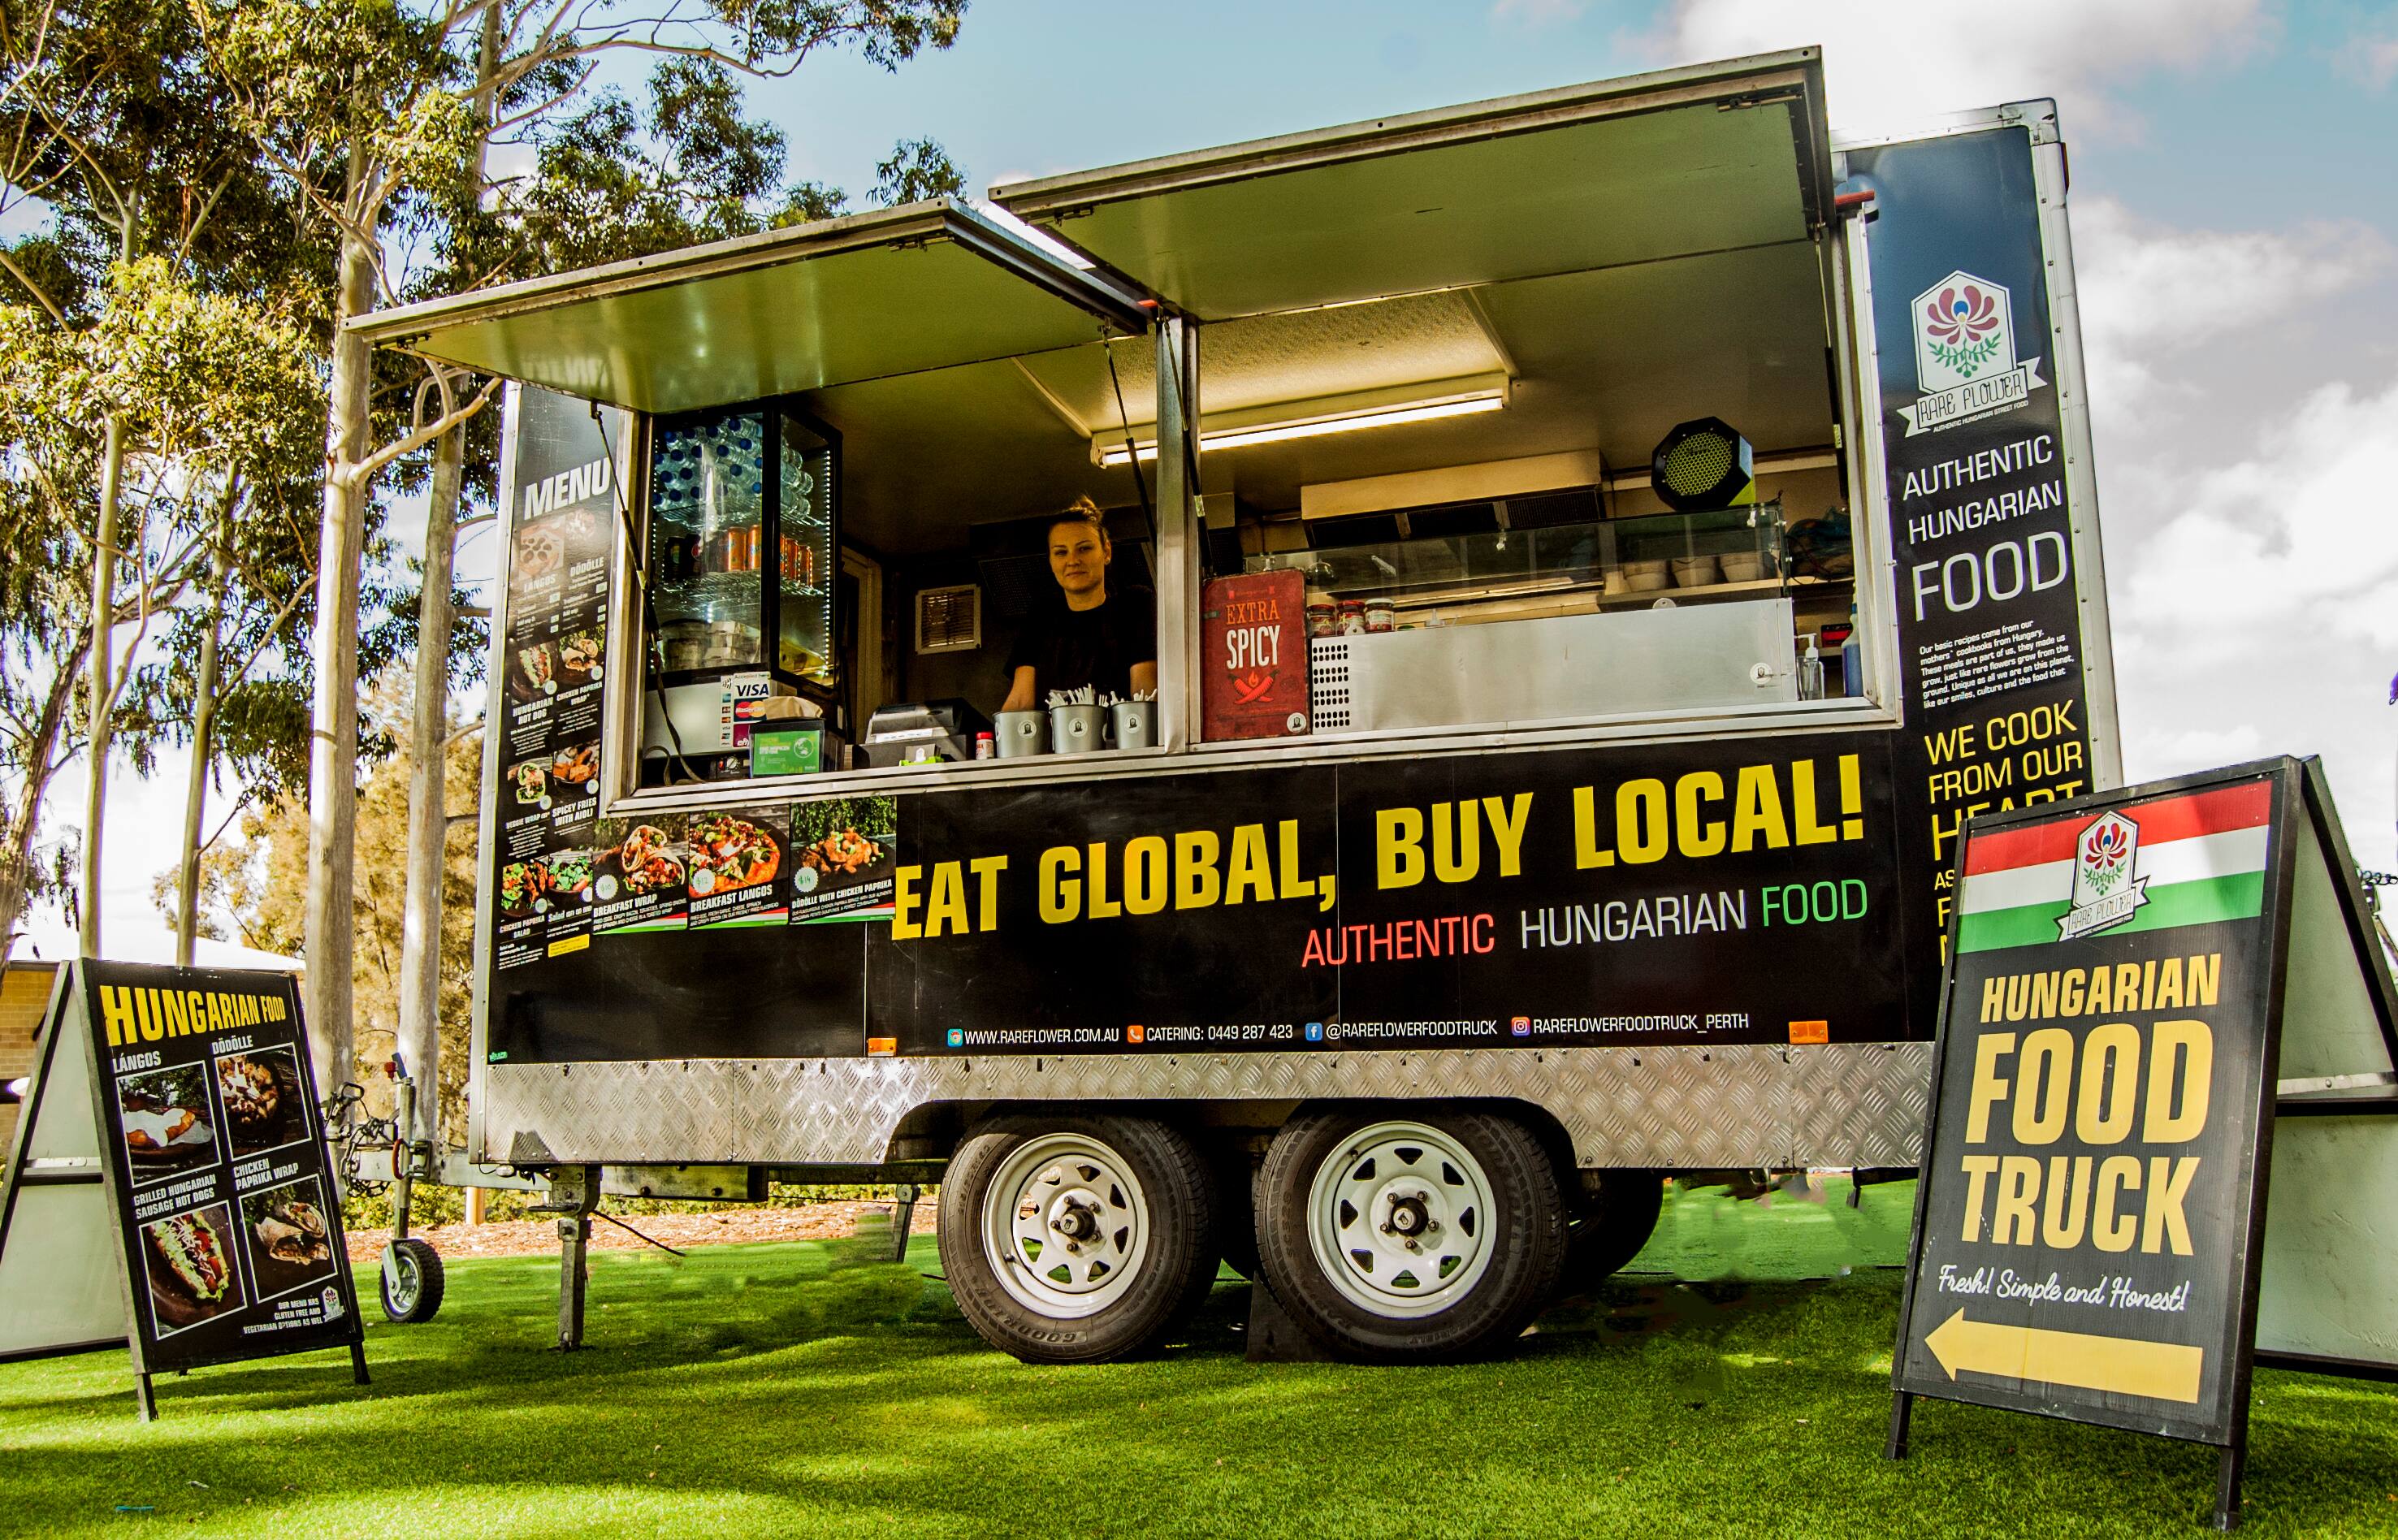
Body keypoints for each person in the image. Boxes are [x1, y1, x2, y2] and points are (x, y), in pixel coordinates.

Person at [1001, 498, 1157, 712]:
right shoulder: (1040, 618)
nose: (1072, 560)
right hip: (1053, 744)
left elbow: (1144, 691)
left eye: (1084, 549)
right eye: (1061, 552)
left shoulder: (1134, 604)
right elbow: (1020, 701)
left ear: (1107, 552)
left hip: (1123, 741)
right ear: (1051, 561)